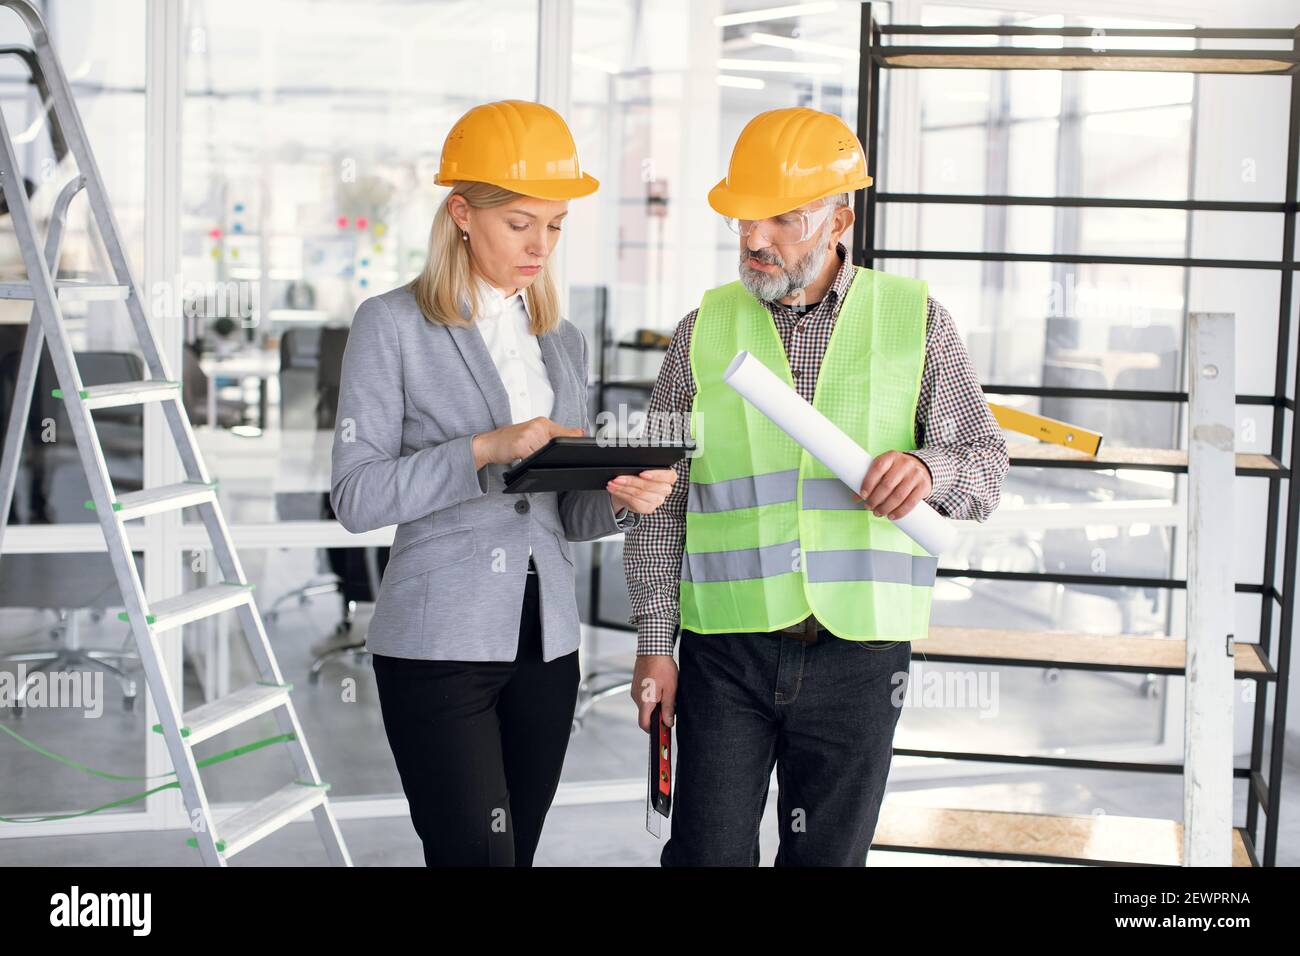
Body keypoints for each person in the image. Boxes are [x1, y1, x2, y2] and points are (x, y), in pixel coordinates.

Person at [623, 107, 1010, 866]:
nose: (755, 240)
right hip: (725, 648)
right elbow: (658, 503)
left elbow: (987, 464)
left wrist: (934, 469)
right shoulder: (701, 329)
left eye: (782, 220)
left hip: (859, 657)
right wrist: (652, 644)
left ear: (841, 219)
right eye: (742, 219)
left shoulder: (915, 321)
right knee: (706, 855)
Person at [330, 99, 676, 866]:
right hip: (437, 644)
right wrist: (483, 447)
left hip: (547, 646)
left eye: (554, 225)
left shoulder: (562, 340)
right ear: (461, 212)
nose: (540, 245)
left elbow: (560, 514)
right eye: (520, 223)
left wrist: (621, 497)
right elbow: (357, 496)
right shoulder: (390, 325)